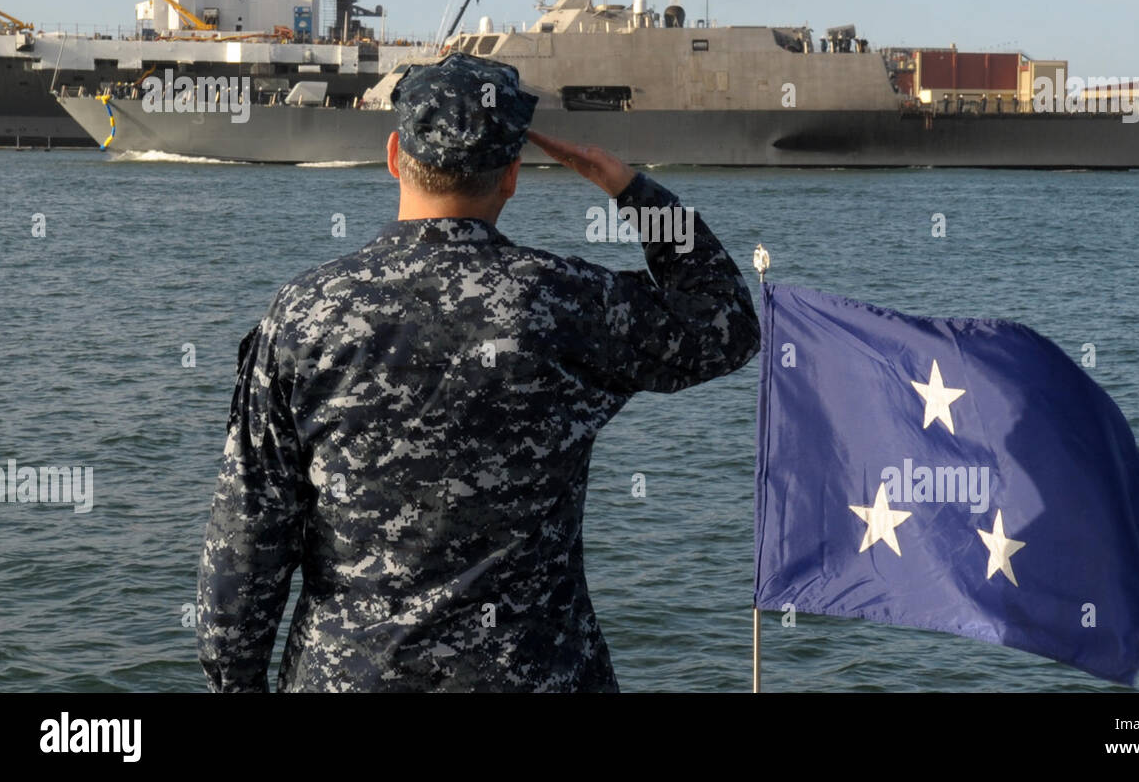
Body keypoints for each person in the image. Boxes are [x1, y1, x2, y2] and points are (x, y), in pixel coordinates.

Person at [196, 52, 760, 692]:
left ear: (392, 155)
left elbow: (245, 546)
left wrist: (236, 685)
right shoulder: (567, 305)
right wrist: (631, 191)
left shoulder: (307, 316)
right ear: (513, 176)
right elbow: (726, 323)